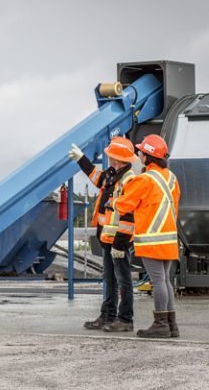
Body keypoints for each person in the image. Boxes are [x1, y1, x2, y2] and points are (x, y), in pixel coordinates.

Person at [114, 134, 181, 338]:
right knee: (165, 280)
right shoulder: (171, 178)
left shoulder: (145, 179)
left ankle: (160, 324)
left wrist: (115, 200)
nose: (139, 154)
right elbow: (175, 205)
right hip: (169, 238)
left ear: (146, 156)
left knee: (158, 281)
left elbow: (125, 204)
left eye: (141, 151)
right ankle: (171, 325)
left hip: (152, 239)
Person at [69, 137, 138, 332]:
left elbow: (128, 216)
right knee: (109, 279)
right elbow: (94, 176)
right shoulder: (111, 175)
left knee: (123, 280)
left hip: (118, 241)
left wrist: (120, 244)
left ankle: (125, 320)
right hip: (107, 238)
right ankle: (108, 316)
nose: (108, 159)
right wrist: (81, 159)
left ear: (117, 159)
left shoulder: (129, 181)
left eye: (110, 156)